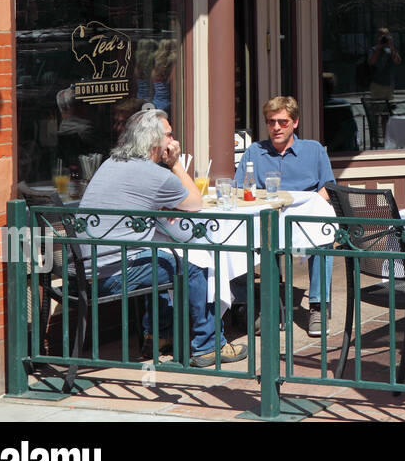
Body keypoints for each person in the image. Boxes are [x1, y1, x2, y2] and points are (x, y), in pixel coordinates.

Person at [79, 108, 246, 367]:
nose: (173, 141)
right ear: (155, 140)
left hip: (85, 269)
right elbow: (195, 203)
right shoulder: (154, 174)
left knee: (160, 257)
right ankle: (207, 346)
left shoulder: (110, 163)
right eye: (169, 135)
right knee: (195, 265)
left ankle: (159, 335)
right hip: (110, 273)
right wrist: (175, 164)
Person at [233, 96, 336, 337]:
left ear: (295, 123)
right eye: (271, 122)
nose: (276, 127)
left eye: (282, 122)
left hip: (303, 219)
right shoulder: (254, 152)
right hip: (265, 219)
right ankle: (246, 305)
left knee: (324, 236)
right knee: (234, 235)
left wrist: (307, 207)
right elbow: (239, 189)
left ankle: (318, 306)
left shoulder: (314, 150)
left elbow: (328, 188)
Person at [367, 27, 401, 100]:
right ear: (378, 38)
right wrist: (379, 48)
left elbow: (397, 61)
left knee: (389, 107)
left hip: (389, 84)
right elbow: (371, 62)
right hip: (377, 84)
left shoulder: (391, 50)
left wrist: (391, 46)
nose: (384, 39)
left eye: (386, 36)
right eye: (382, 37)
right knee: (377, 107)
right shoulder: (373, 49)